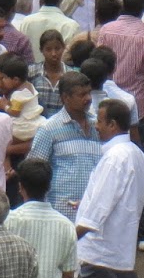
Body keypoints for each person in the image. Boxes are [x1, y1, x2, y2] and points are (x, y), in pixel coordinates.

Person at [75, 99, 144, 278]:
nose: (96, 126)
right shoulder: (137, 154)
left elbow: (101, 205)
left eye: (100, 121)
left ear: (112, 124)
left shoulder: (115, 158)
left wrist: (72, 236)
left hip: (104, 248)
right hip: (110, 247)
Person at [30, 72, 102, 220]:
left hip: (94, 213)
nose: (88, 98)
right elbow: (35, 172)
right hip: (61, 213)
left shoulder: (98, 126)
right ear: (65, 98)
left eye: (89, 93)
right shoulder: (49, 129)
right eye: (82, 95)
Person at [7, 158, 79, 278]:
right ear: (49, 187)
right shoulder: (67, 226)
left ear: (20, 186)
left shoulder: (9, 220)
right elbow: (68, 276)